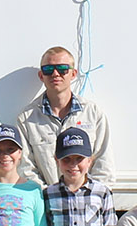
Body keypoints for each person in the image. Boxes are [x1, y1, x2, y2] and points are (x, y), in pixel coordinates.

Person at [16, 46, 114, 185]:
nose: (55, 74)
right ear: (41, 76)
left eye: (62, 69)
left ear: (73, 74)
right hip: (47, 202)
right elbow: (26, 169)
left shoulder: (93, 113)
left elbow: (103, 165)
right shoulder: (26, 119)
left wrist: (90, 198)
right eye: (48, 70)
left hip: (88, 203)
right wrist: (52, 196)